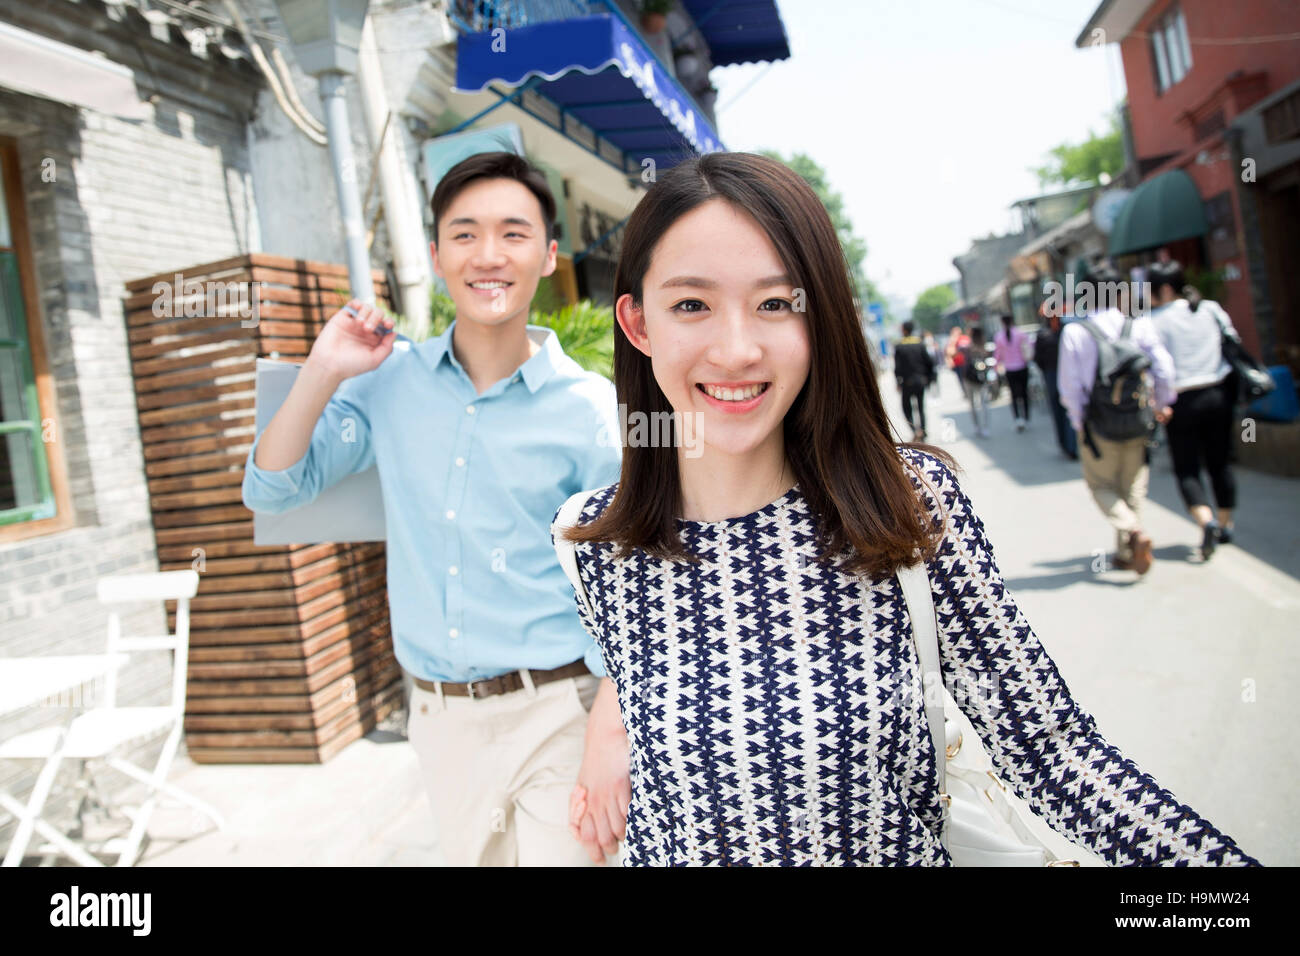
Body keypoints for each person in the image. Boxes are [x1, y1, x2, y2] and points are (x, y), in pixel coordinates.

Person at [553, 152, 1258, 866]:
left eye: (774, 304)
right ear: (639, 326)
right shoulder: (596, 547)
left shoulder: (906, 506)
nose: (737, 349)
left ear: (819, 319)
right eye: (691, 305)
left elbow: (1051, 753)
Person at [242, 151, 628, 866]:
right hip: (439, 720)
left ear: (548, 257)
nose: (489, 254)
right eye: (465, 234)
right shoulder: (389, 383)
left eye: (514, 234)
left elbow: (625, 585)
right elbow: (271, 488)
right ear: (435, 255)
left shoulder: (590, 413)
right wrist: (324, 367)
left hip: (558, 711)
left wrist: (611, 727)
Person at [1057, 265, 1176, 576]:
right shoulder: (1138, 325)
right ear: (1120, 293)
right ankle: (1127, 552)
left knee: (1101, 486)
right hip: (1138, 420)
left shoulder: (1075, 331)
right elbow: (1164, 368)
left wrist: (1079, 422)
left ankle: (1132, 534)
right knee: (1132, 486)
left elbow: (1069, 388)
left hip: (1098, 427)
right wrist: (1162, 404)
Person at [1149, 260, 1239, 559]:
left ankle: (1207, 521)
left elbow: (1157, 369)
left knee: (1187, 468)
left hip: (1181, 403)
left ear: (1163, 289)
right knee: (1220, 463)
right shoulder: (1210, 308)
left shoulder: (1154, 320)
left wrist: (1159, 404)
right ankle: (1225, 525)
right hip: (1218, 394)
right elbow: (1233, 343)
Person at [1033, 301, 1078, 459]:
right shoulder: (1063, 332)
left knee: (1064, 410)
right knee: (1067, 410)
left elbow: (1038, 359)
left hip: (1054, 374)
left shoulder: (1060, 332)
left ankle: (1069, 446)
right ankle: (1071, 446)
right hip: (1056, 374)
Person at [894, 320, 937, 440]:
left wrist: (898, 382)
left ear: (904, 330)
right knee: (921, 407)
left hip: (907, 382)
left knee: (906, 409)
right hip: (921, 381)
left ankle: (915, 430)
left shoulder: (900, 346)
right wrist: (929, 379)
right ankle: (922, 431)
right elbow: (929, 363)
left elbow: (897, 367)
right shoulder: (920, 344)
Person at [994, 313, 1032, 431]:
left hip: (1009, 369)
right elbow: (1029, 347)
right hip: (1022, 367)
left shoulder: (999, 336)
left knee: (1014, 394)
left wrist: (996, 366)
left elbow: (998, 354)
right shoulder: (1020, 333)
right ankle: (1026, 417)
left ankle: (1018, 418)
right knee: (1024, 393)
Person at [961, 325, 993, 438]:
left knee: (973, 404)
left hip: (969, 378)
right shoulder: (984, 347)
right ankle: (985, 427)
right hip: (981, 378)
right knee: (984, 404)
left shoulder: (967, 347)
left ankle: (977, 426)